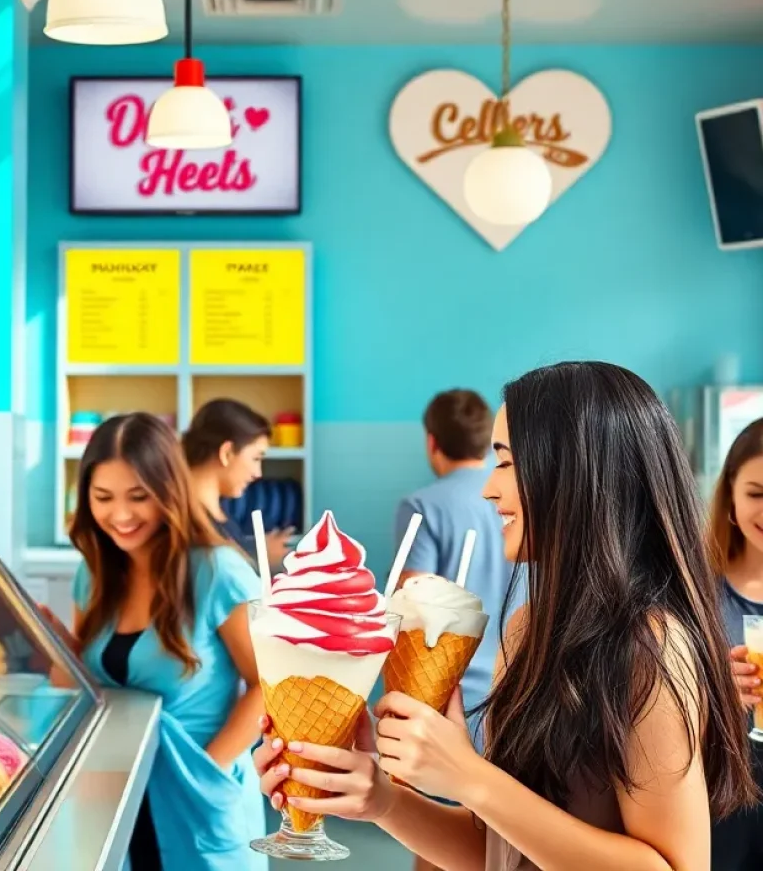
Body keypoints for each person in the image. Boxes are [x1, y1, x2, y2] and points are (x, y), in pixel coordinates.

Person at [255, 362, 756, 870]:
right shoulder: (525, 629)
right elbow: (499, 851)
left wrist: (469, 775)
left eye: (506, 463)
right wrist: (379, 799)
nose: (488, 489)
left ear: (575, 472)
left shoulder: (651, 643)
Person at [62, 412, 265, 870]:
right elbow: (78, 679)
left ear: (170, 491)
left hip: (200, 796)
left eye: (139, 496)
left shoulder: (218, 572)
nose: (120, 514)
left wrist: (208, 769)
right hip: (116, 796)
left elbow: (269, 686)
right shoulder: (92, 574)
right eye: (103, 497)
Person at [393, 390, 518, 735]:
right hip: (521, 693)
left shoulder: (421, 507)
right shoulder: (521, 500)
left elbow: (413, 601)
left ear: (432, 443)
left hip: (447, 699)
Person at [708, 418, 763, 867]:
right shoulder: (694, 589)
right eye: (757, 494)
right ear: (730, 495)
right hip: (720, 799)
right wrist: (713, 690)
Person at [183, 398, 294, 573]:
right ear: (226, 453)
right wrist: (260, 559)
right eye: (256, 458)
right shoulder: (188, 524)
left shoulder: (215, 516)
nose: (258, 473)